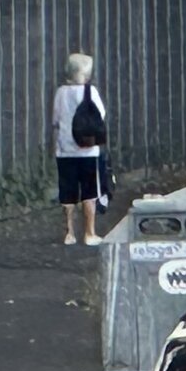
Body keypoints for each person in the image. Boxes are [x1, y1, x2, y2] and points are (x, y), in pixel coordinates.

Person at [53, 52, 108, 246]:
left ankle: (70, 233)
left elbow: (55, 120)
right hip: (87, 150)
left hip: (64, 150)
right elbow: (101, 114)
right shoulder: (90, 91)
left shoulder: (60, 92)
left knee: (67, 192)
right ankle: (89, 233)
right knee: (89, 193)